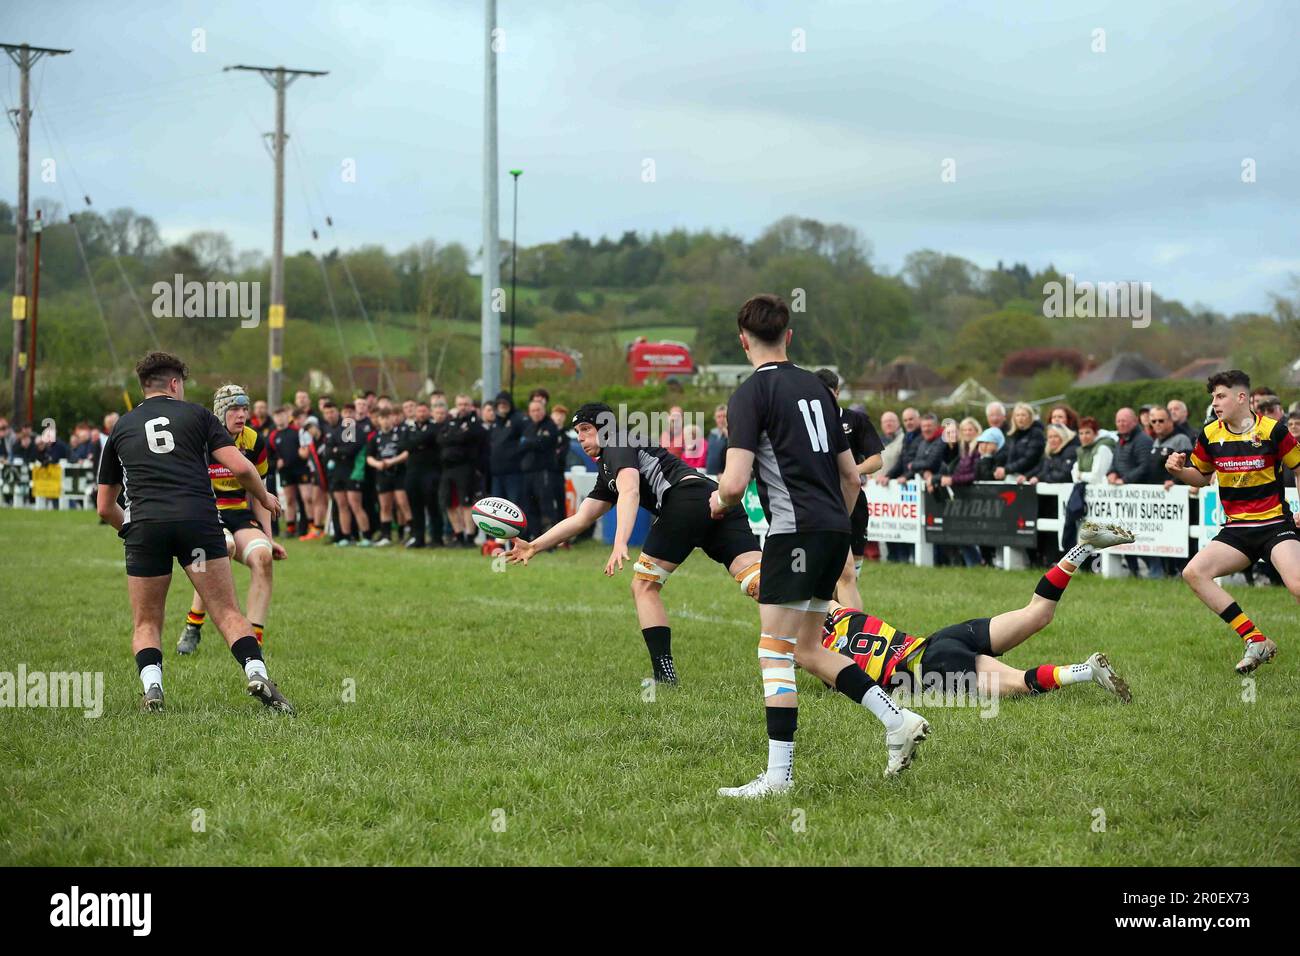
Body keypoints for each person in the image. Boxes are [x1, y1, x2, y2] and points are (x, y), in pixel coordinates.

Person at [710, 293, 930, 797]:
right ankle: (896, 722)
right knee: (809, 648)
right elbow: (850, 477)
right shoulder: (817, 387)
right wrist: (842, 533)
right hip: (833, 530)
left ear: (743, 340)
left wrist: (715, 506)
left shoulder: (748, 395)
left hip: (795, 534)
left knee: (774, 651)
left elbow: (735, 483)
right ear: (789, 336)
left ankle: (778, 777)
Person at [509, 402, 763, 686]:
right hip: (713, 498)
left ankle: (664, 676)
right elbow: (582, 518)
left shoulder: (617, 441)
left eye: (585, 429)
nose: (579, 437)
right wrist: (534, 546)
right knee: (756, 580)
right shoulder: (608, 469)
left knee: (643, 585)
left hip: (684, 499)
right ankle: (819, 628)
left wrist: (620, 542)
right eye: (577, 431)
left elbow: (629, 490)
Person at [96, 352, 292, 713]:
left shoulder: (122, 427)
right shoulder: (199, 416)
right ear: (175, 384)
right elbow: (242, 467)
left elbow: (104, 506)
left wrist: (133, 531)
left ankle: (153, 689)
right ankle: (256, 671)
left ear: (145, 386)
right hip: (198, 524)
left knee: (146, 621)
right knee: (228, 611)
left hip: (147, 528)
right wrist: (265, 497)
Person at [823, 521, 1135, 700]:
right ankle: (1081, 549)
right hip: (940, 639)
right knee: (1037, 613)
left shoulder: (818, 654)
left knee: (1022, 684)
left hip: (930, 666)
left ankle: (1085, 671)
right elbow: (845, 578)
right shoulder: (841, 611)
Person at [1166, 370, 1300, 674]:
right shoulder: (1211, 433)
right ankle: (1256, 639)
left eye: (1221, 395)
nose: (1215, 402)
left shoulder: (1273, 430)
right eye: (1213, 397)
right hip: (1237, 529)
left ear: (1242, 398)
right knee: (1194, 572)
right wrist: (1178, 471)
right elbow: (1200, 477)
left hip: (1275, 524)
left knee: (1297, 585)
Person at [177, 382, 287, 654]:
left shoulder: (253, 441)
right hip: (208, 513)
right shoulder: (202, 441)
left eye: (245, 409)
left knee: (262, 556)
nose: (242, 415)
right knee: (223, 547)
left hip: (239, 512)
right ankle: (194, 624)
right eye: (235, 409)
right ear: (221, 411)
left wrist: (269, 538)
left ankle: (254, 640)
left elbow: (260, 494)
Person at [814, 368, 883, 608]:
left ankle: (848, 628)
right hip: (819, 502)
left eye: (828, 393)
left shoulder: (855, 420)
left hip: (852, 501)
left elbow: (877, 460)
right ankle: (836, 625)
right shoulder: (807, 423)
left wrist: (852, 471)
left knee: (849, 574)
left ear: (837, 392)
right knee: (829, 575)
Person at [321, 401, 373, 546]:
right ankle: (345, 536)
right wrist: (336, 451)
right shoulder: (331, 429)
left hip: (351, 472)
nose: (348, 416)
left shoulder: (350, 426)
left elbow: (349, 450)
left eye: (351, 413)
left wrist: (337, 451)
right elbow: (328, 451)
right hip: (337, 473)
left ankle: (366, 536)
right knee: (342, 505)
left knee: (355, 504)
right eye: (346, 413)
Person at [439, 394, 484, 546]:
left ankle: (469, 536)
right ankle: (458, 534)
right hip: (447, 468)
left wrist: (454, 437)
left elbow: (469, 436)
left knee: (466, 503)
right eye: (460, 404)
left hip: (464, 467)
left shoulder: (474, 422)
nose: (463, 407)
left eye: (465, 404)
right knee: (449, 503)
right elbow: (441, 438)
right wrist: (457, 436)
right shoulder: (451, 421)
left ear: (470, 406)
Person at [365, 406, 412, 546]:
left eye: (388, 418)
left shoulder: (400, 433)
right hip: (383, 474)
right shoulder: (376, 437)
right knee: (385, 505)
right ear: (378, 420)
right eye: (382, 418)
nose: (385, 421)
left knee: (402, 503)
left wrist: (392, 461)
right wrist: (377, 464)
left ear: (392, 418)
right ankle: (386, 535)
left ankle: (409, 531)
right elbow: (369, 457)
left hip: (398, 472)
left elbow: (406, 453)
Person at [401, 401, 443, 549]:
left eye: (424, 411)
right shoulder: (408, 427)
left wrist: (416, 442)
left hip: (430, 472)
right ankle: (418, 538)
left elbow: (430, 437)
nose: (421, 414)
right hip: (413, 472)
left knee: (432, 505)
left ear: (429, 412)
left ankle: (436, 538)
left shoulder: (434, 427)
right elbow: (404, 445)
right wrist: (420, 442)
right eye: (419, 412)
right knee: (415, 506)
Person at [519, 398, 561, 537]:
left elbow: (544, 443)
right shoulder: (529, 427)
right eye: (533, 410)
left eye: (538, 410)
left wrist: (529, 442)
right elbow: (522, 445)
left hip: (543, 472)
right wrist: (533, 442)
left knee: (546, 506)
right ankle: (535, 536)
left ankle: (552, 539)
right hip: (528, 473)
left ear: (544, 410)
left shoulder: (550, 425)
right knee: (530, 507)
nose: (536, 413)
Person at [488, 391, 527, 507]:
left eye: (505, 403)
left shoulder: (518, 419)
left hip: (513, 473)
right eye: (500, 404)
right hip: (496, 473)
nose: (502, 406)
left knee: (514, 507)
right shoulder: (495, 424)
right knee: (497, 509)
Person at [997, 403, 1045, 479]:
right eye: (1017, 415)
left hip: (1028, 477)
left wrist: (1007, 469)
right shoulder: (1013, 435)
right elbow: (1007, 456)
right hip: (1012, 475)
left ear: (1030, 417)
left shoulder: (1036, 433)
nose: (1020, 418)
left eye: (1023, 415)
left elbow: (1030, 459)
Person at [705, 404, 728, 474]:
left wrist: (728, 434)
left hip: (724, 476)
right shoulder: (712, 433)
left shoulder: (734, 434)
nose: (721, 419)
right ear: (715, 418)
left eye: (724, 416)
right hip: (710, 474)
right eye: (718, 417)